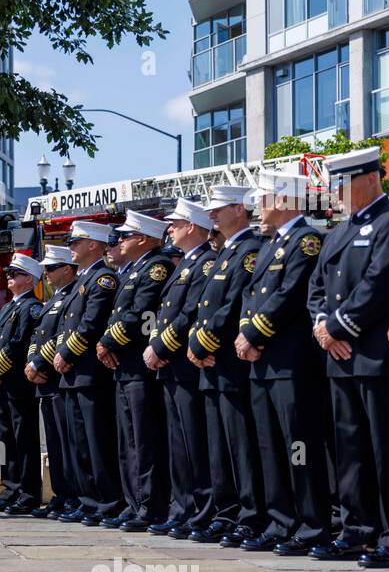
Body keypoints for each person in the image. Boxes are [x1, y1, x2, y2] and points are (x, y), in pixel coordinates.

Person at [307, 147, 389, 566]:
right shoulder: (338, 232)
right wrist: (322, 327)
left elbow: (382, 283)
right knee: (350, 449)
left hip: (374, 354)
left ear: (370, 179)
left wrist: (337, 327)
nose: (336, 192)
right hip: (339, 357)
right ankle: (357, 530)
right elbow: (316, 286)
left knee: (386, 446)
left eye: (342, 182)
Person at [236, 170, 330, 555]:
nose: (258, 206)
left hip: (290, 363)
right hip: (263, 364)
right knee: (271, 447)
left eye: (263, 198)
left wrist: (253, 334)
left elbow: (290, 296)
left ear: (283, 200)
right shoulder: (275, 243)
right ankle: (281, 521)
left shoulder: (306, 241)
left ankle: (311, 525)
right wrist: (246, 334)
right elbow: (251, 294)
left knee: (299, 446)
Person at [188, 186, 266, 547]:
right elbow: (204, 309)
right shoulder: (225, 253)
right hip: (211, 364)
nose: (213, 216)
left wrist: (204, 342)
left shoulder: (249, 250)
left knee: (240, 446)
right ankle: (225, 511)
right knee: (218, 447)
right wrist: (194, 343)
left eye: (219, 209)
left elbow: (235, 305)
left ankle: (250, 516)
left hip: (229, 363)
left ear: (239, 208)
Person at [96, 210, 173, 531]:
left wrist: (107, 343)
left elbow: (138, 313)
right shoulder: (133, 270)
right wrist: (109, 344)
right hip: (124, 365)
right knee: (127, 439)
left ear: (143, 238)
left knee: (144, 439)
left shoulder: (156, 267)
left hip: (139, 366)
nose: (120, 241)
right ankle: (133, 501)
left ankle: (150, 504)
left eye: (125, 236)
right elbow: (118, 313)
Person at [145, 198, 216, 538]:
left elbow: (188, 314)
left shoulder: (205, 263)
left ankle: (200, 511)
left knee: (194, 444)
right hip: (172, 367)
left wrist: (159, 348)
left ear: (191, 226)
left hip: (186, 365)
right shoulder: (186, 265)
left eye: (175, 224)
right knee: (179, 445)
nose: (169, 229)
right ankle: (183, 508)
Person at [54, 221, 122, 526]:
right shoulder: (84, 279)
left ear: (94, 244)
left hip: (90, 372)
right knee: (78, 444)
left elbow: (91, 324)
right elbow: (66, 325)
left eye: (76, 242)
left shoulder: (103, 279)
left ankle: (106, 501)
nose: (71, 247)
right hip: (72, 374)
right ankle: (87, 500)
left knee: (96, 442)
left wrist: (66, 354)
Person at [0, 252, 43, 515]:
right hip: (2, 386)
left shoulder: (32, 308)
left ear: (28, 280)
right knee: (4, 441)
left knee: (23, 440)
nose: (8, 277)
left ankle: (28, 493)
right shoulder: (8, 307)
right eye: (8, 273)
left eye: (14, 274)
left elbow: (17, 345)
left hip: (19, 385)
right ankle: (9, 487)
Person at [23, 245, 79, 520]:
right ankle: (61, 494)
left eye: (51, 268)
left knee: (69, 444)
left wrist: (38, 363)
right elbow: (38, 337)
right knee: (55, 445)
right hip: (45, 381)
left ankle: (74, 496)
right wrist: (31, 361)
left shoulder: (72, 295)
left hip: (58, 378)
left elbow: (62, 337)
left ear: (67, 269)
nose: (45, 273)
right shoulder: (54, 299)